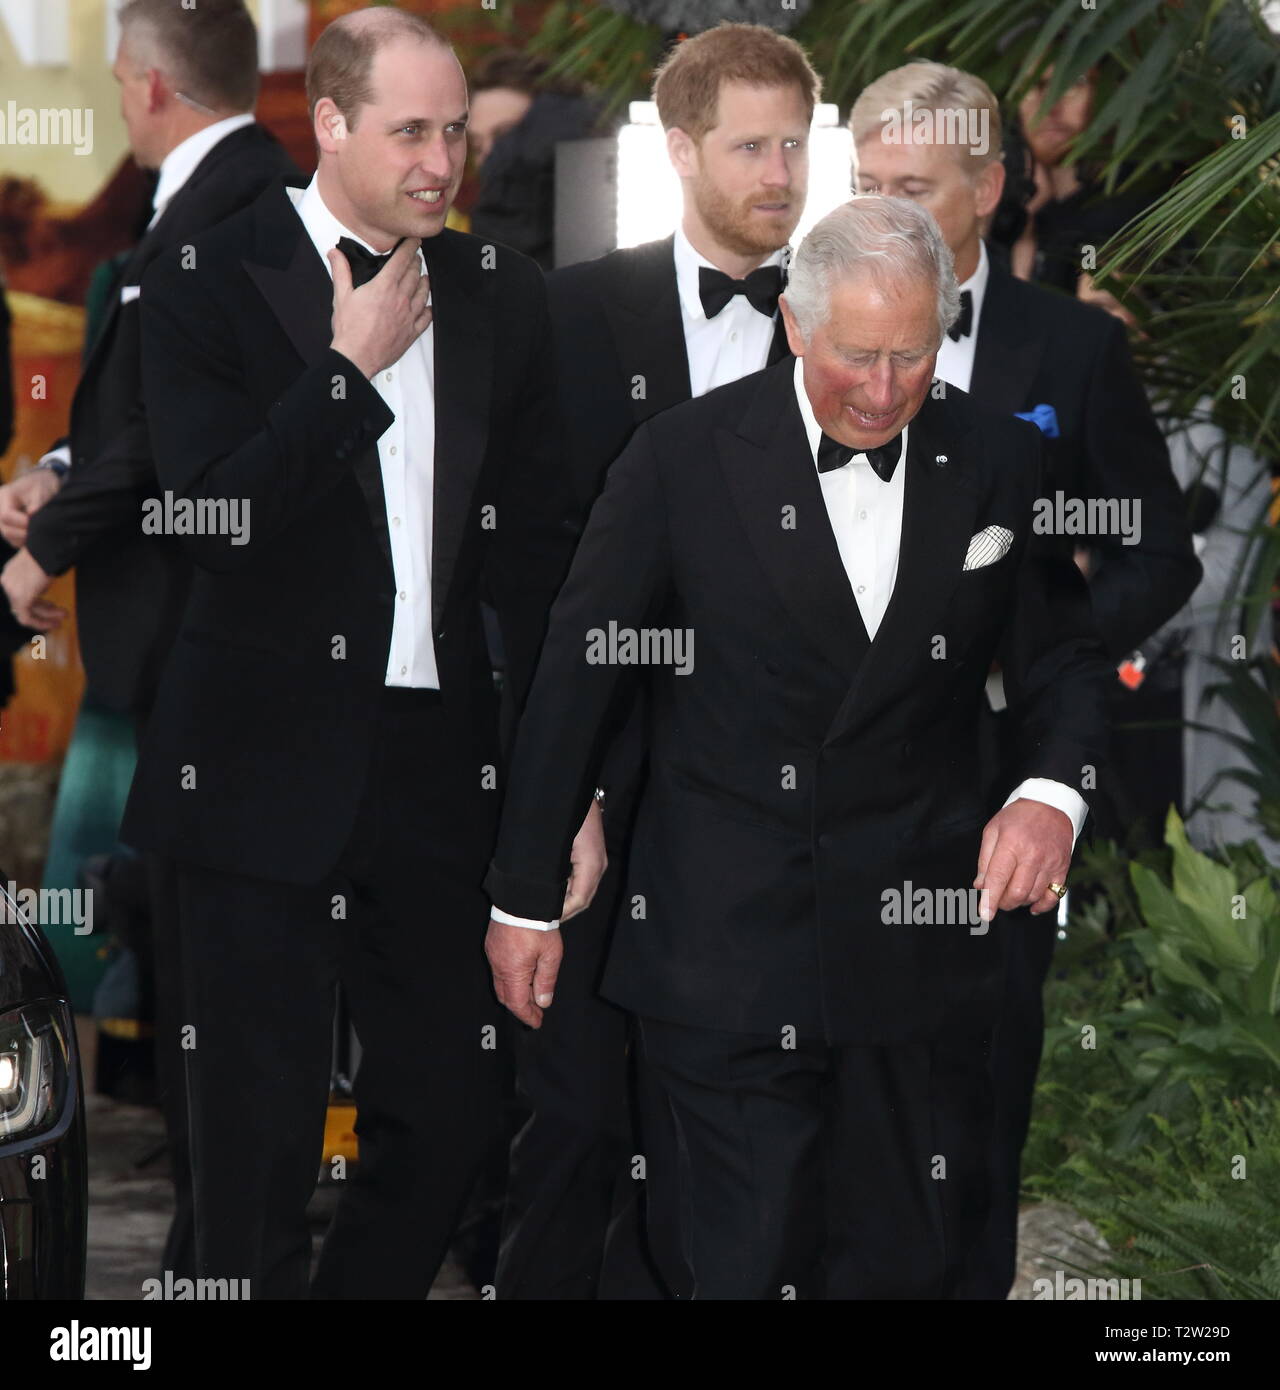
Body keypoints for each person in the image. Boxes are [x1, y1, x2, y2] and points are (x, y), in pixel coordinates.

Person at [483, 194, 1112, 1299]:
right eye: (855, 357)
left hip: (920, 953)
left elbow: (1061, 658)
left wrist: (1048, 790)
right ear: (792, 326)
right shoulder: (677, 459)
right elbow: (577, 678)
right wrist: (525, 895)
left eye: (910, 356)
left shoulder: (1001, 461)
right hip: (723, 952)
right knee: (736, 1263)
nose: (881, 389)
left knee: (900, 1269)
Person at [120, 8, 582, 1299]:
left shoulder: (506, 298)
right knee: (249, 1153)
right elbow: (216, 521)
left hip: (442, 768)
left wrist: (569, 785)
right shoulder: (207, 279)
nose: (443, 161)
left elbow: (540, 557)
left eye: (453, 131)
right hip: (250, 771)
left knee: (448, 1117)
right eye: (410, 132)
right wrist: (348, 374)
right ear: (327, 124)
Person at [849, 59, 1201, 1297]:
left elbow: (1160, 554)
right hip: (820, 783)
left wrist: (1032, 632)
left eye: (913, 186)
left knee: (979, 1086)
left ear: (989, 189)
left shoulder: (1069, 350)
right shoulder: (806, 323)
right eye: (865, 183)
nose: (883, 213)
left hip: (1002, 791)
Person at [490, 20, 820, 1300]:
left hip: (771, 815)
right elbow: (522, 582)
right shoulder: (571, 314)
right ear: (677, 148)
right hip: (604, 795)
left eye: (794, 144)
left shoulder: (847, 327)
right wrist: (558, 796)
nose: (779, 174)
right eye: (749, 146)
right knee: (571, 1124)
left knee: (736, 1149)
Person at [0, 0, 299, 1285]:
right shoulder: (216, 193)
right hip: (174, 640)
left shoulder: (228, 206)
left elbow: (173, 442)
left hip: (202, 640)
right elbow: (144, 413)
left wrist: (46, 538)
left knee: (215, 983)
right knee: (186, 964)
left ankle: (219, 1255)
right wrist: (58, 473)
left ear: (148, 86)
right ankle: (206, 1245)